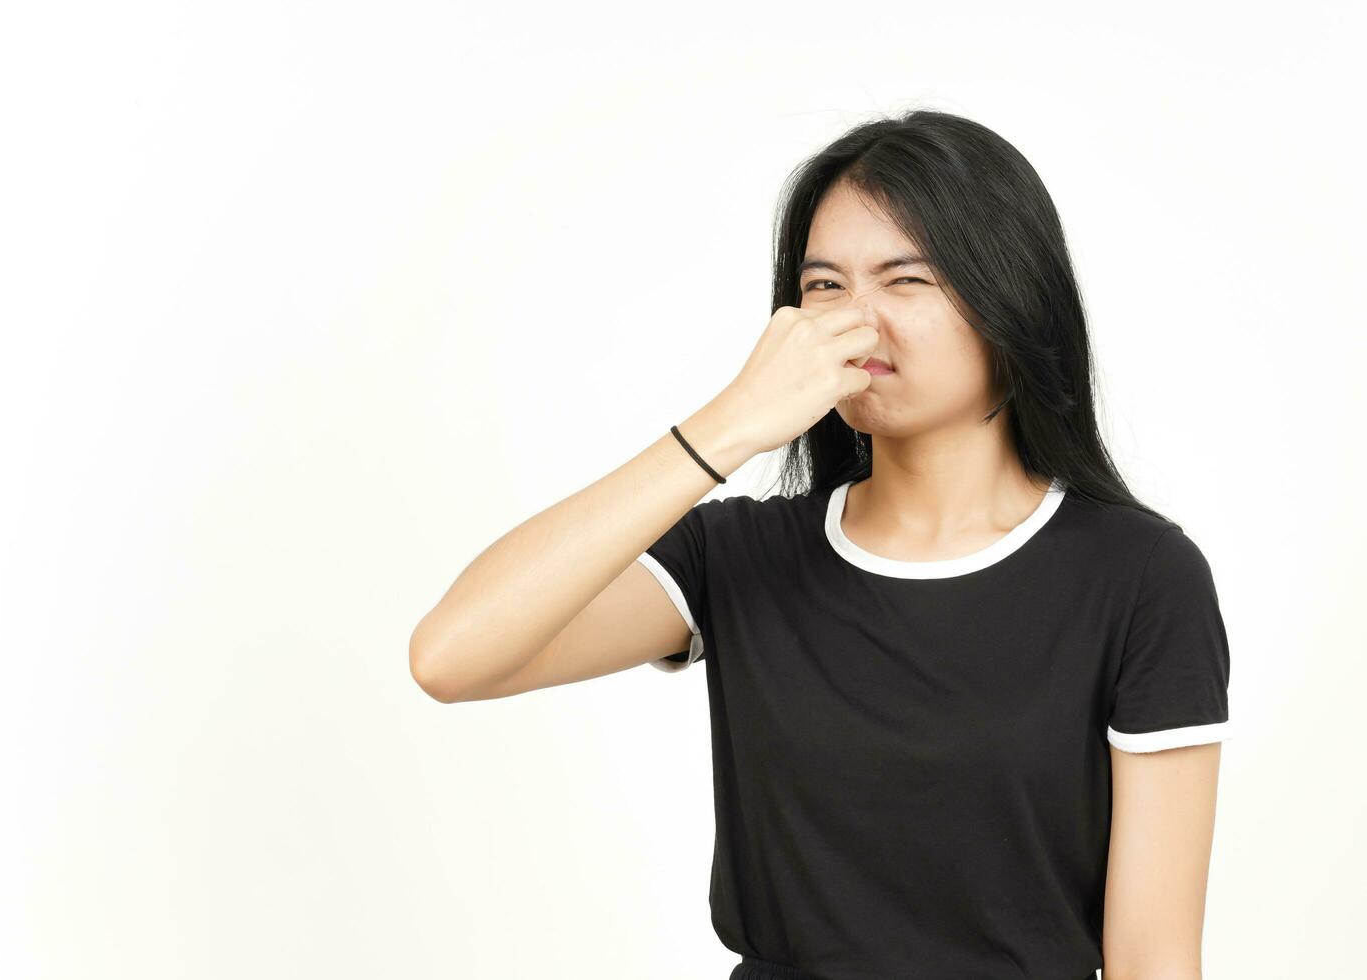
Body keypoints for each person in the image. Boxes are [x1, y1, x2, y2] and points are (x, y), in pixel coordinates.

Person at [409, 109, 1233, 980]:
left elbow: (1152, 955)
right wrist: (727, 428)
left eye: (905, 280)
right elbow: (451, 656)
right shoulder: (739, 556)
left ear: (1011, 297)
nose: (855, 323)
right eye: (824, 287)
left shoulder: (1139, 577)